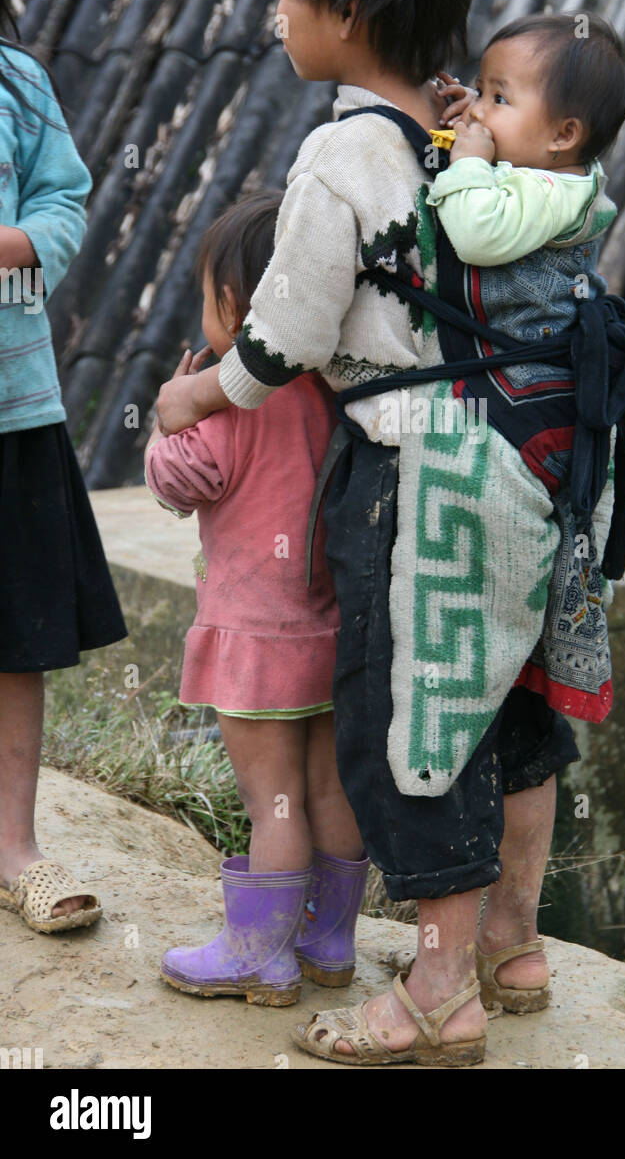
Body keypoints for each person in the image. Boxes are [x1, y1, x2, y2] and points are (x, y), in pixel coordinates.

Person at [155, 0, 620, 1067]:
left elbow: (289, 330)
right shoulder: (471, 132)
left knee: (405, 721)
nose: (272, 11)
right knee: (499, 707)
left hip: (413, 469)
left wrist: (198, 389)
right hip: (520, 457)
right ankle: (510, 948)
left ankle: (436, 989)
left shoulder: (343, 155)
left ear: (345, 10)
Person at [145, 192, 367, 1006]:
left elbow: (183, 480)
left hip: (254, 642)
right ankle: (330, 942)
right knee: (328, 787)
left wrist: (168, 423)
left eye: (206, 297)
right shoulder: (335, 387)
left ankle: (258, 955)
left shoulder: (226, 398)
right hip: (332, 631)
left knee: (269, 798)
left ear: (235, 308)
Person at [0, 0, 127, 934]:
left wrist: (14, 244)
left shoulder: (17, 83)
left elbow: (66, 200)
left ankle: (14, 848)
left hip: (12, 409)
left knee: (16, 640)